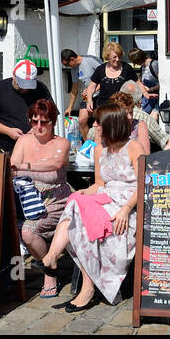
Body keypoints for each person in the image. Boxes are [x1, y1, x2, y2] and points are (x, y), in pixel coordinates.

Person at [42, 104, 143, 311]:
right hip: (105, 198)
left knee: (82, 219)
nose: (94, 125)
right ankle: (54, 257)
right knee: (75, 201)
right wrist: (82, 192)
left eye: (98, 122)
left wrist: (125, 209)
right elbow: (98, 185)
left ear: (111, 125)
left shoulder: (134, 147)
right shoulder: (99, 150)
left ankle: (77, 280)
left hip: (129, 204)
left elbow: (143, 185)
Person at [9, 98, 73, 298]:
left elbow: (55, 164)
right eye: (34, 121)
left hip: (56, 200)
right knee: (23, 232)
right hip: (28, 201)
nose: (38, 126)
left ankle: (49, 273)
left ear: (53, 122)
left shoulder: (62, 142)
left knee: (28, 232)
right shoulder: (23, 141)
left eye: (44, 122)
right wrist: (21, 166)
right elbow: (12, 167)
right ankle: (50, 266)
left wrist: (25, 166)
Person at [0, 61, 52, 154]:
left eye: (29, 85)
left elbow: (51, 115)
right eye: (21, 84)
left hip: (32, 147)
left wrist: (37, 128)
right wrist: (8, 131)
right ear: (14, 75)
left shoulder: (41, 88)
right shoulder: (0, 88)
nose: (25, 89)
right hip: (2, 147)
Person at [79, 43, 140, 136]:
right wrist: (89, 101)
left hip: (121, 109)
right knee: (96, 134)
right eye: (114, 57)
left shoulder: (127, 68)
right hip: (104, 109)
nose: (118, 59)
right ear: (107, 56)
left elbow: (137, 83)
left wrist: (139, 97)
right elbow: (91, 86)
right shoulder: (100, 69)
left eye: (119, 56)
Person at [60, 48, 102, 117]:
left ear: (72, 59)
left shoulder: (90, 60)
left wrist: (94, 89)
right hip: (88, 96)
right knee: (82, 120)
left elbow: (106, 76)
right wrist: (70, 107)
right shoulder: (73, 70)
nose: (67, 67)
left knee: (100, 119)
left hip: (101, 94)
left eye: (67, 65)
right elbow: (74, 90)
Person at [110, 87, 152, 155]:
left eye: (131, 112)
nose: (130, 117)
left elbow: (145, 154)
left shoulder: (139, 125)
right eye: (125, 114)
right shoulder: (108, 126)